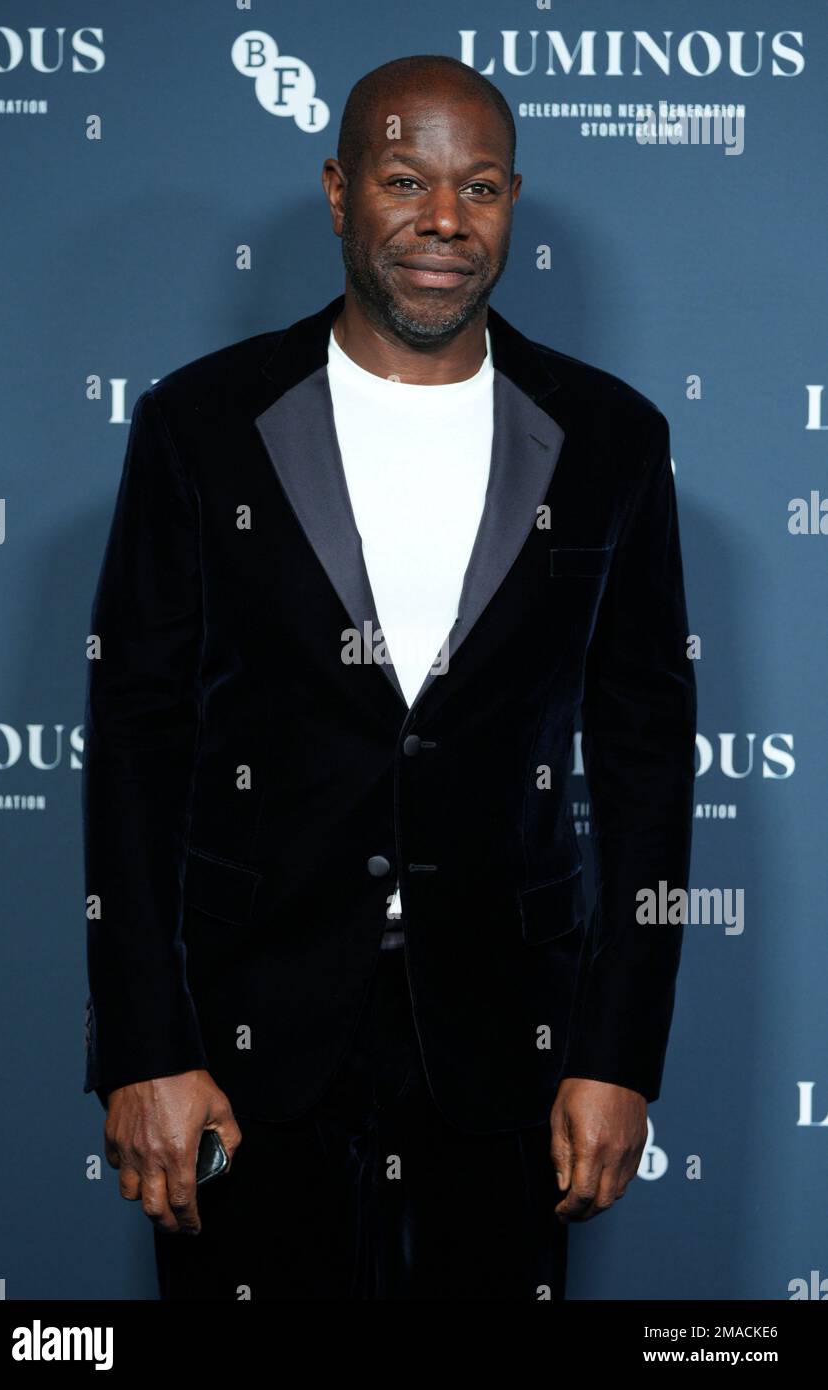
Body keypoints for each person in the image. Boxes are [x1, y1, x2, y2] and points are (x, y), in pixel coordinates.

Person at [82, 53, 697, 1300]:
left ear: (511, 201)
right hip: (247, 1033)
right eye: (403, 178)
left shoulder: (611, 436)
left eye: (476, 188)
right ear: (336, 189)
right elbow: (134, 744)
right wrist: (143, 1047)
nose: (441, 222)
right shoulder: (200, 424)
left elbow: (645, 763)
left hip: (505, 1040)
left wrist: (617, 1053)